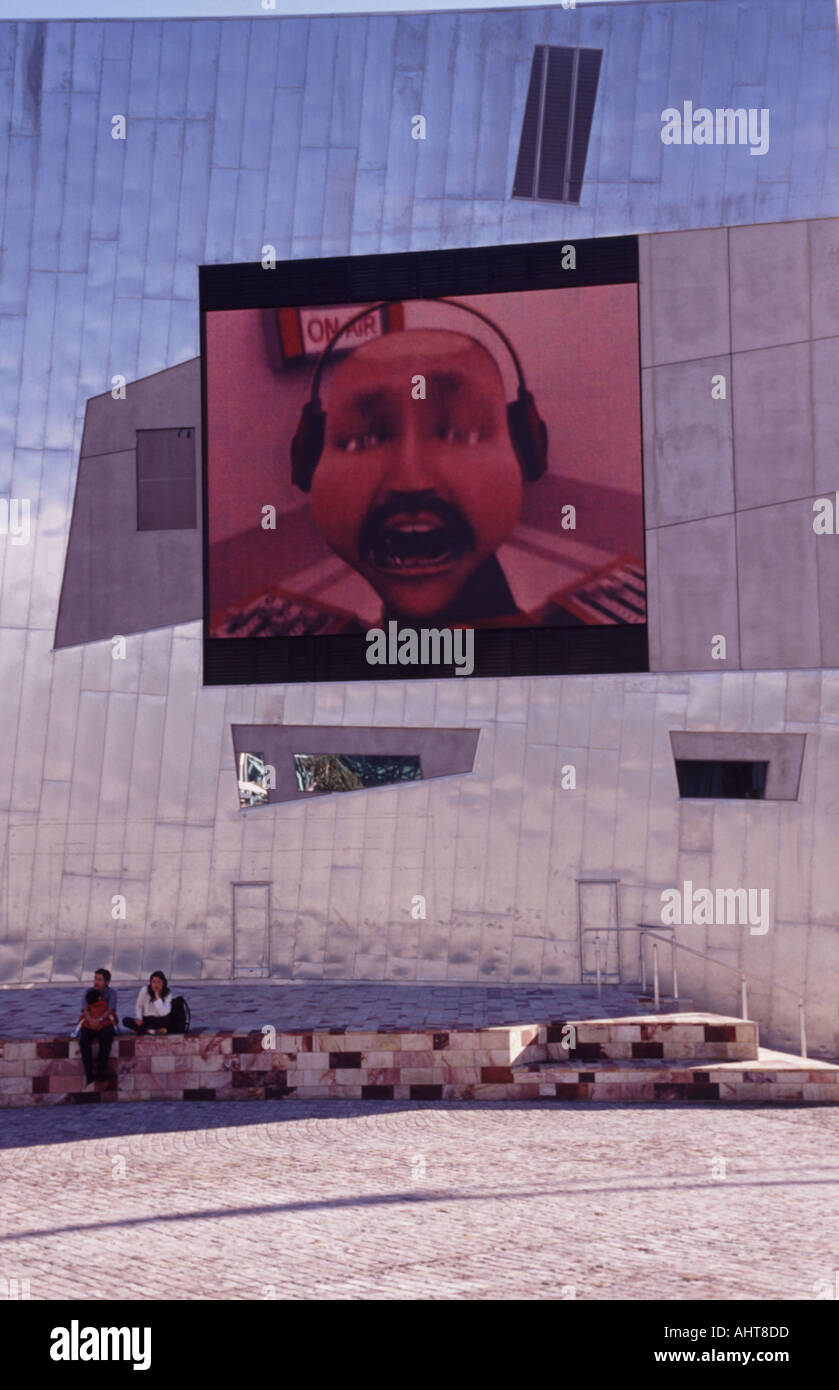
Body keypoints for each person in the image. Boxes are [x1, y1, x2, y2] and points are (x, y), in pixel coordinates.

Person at [77, 987, 117, 1085]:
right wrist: (93, 1022)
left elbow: (110, 1010)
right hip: (92, 1023)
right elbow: (85, 1010)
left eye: (99, 980)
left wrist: (97, 1021)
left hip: (101, 1024)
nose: (96, 982)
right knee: (84, 1041)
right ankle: (89, 1074)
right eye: (96, 979)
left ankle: (100, 1073)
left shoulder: (111, 993)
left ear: (106, 982)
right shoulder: (88, 991)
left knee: (106, 1039)